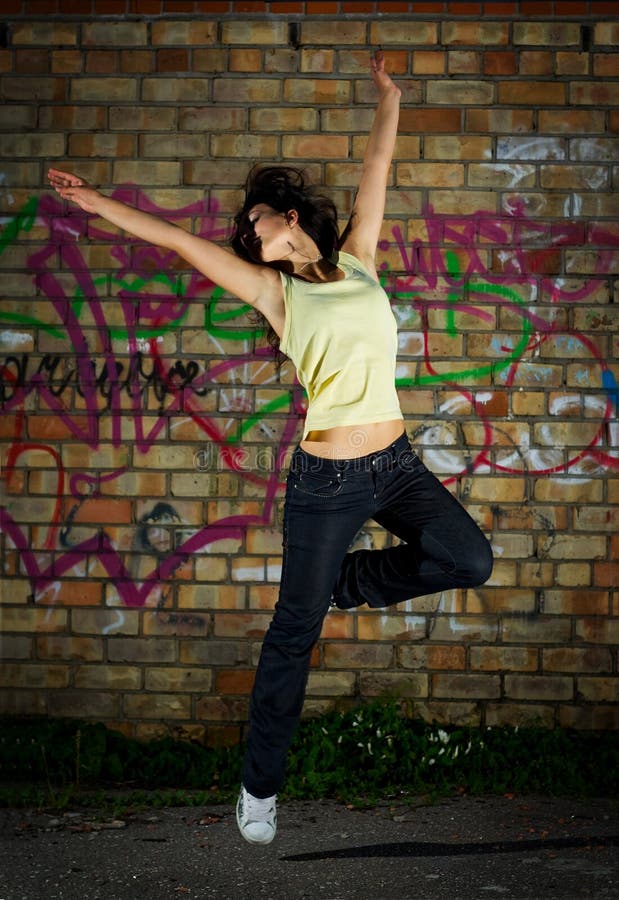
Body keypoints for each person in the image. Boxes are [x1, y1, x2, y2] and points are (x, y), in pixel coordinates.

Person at [48, 51, 493, 846]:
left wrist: (387, 96)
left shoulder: (357, 262)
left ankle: (345, 583)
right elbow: (179, 243)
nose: (246, 235)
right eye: (244, 232)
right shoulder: (272, 293)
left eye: (254, 221)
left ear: (287, 218)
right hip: (329, 480)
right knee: (293, 632)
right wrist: (96, 203)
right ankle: (259, 788)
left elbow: (377, 164)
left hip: (396, 466)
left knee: (467, 558)